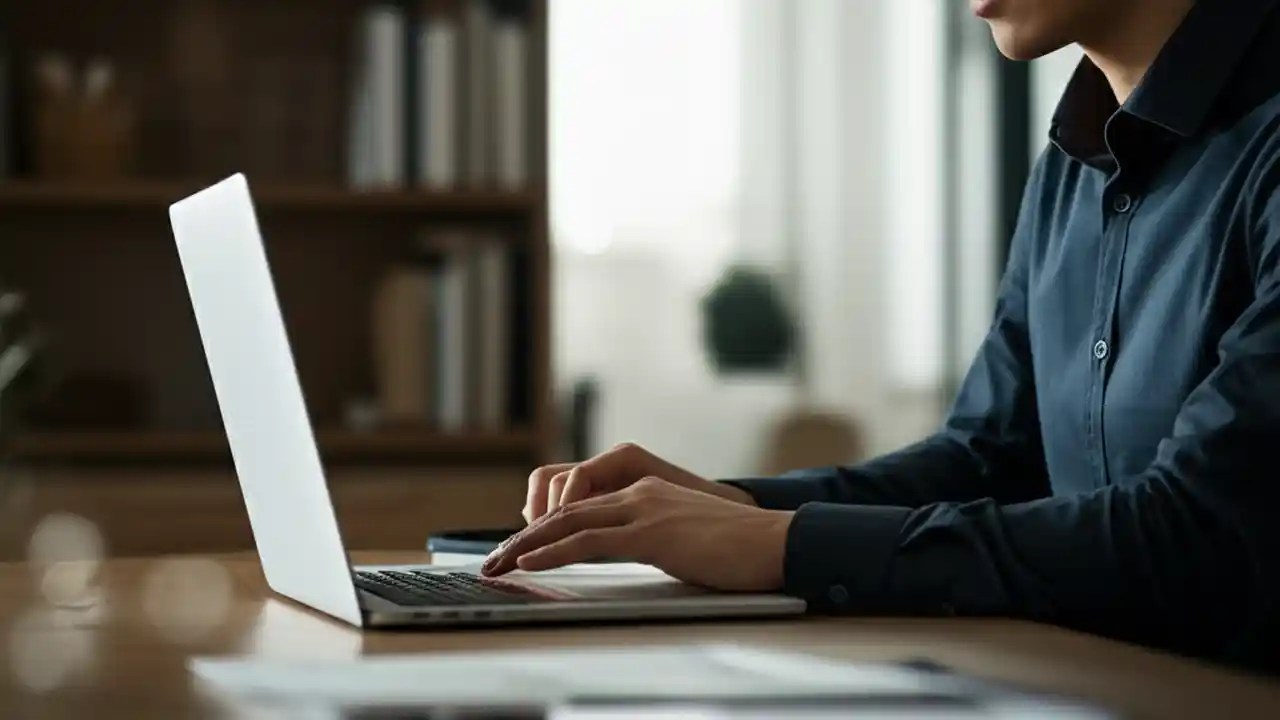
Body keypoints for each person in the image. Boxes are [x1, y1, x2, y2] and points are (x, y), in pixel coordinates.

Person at [483, 0, 1280, 669]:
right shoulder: (1074, 163)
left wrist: (782, 543)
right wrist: (728, 508)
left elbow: (1200, 536)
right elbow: (989, 460)